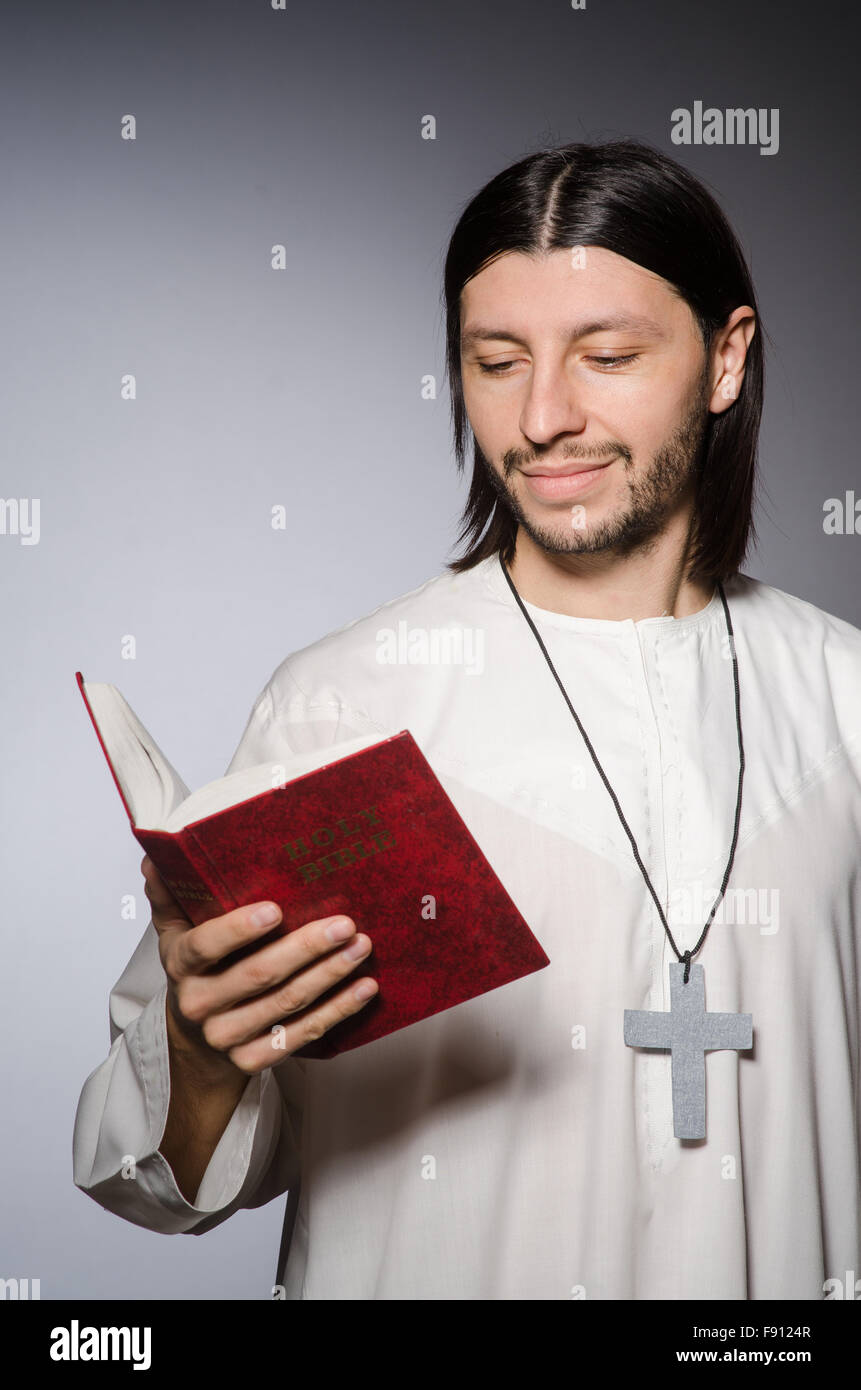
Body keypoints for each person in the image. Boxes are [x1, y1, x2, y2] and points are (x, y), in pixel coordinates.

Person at [73, 139, 861, 1300]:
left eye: (606, 354)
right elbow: (153, 1176)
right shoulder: (350, 703)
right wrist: (196, 1053)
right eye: (496, 361)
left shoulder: (844, 698)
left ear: (725, 360)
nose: (542, 417)